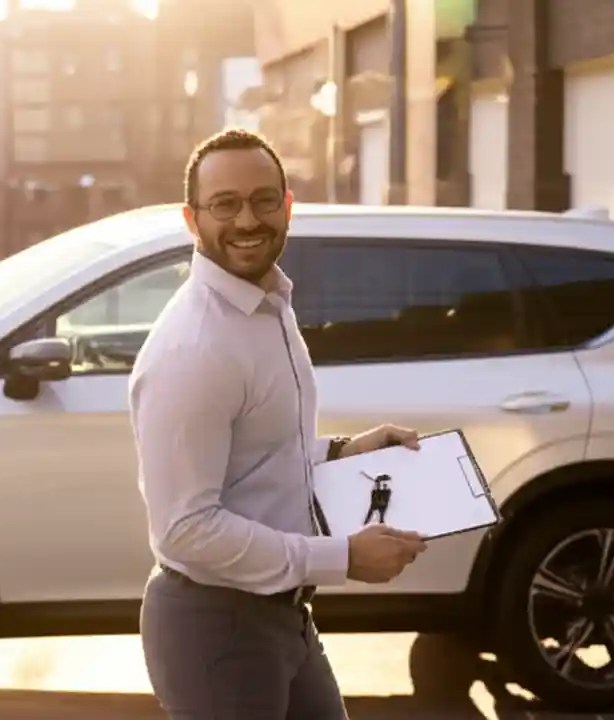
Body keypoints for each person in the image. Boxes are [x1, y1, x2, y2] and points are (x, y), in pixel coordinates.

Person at [129, 128, 429, 719]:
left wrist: (343, 452)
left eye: (264, 199)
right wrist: (341, 557)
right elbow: (186, 529)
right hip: (219, 628)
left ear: (287, 206)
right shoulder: (194, 346)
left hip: (281, 614)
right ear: (193, 220)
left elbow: (257, 457)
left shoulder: (267, 303)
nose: (248, 219)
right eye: (225, 204)